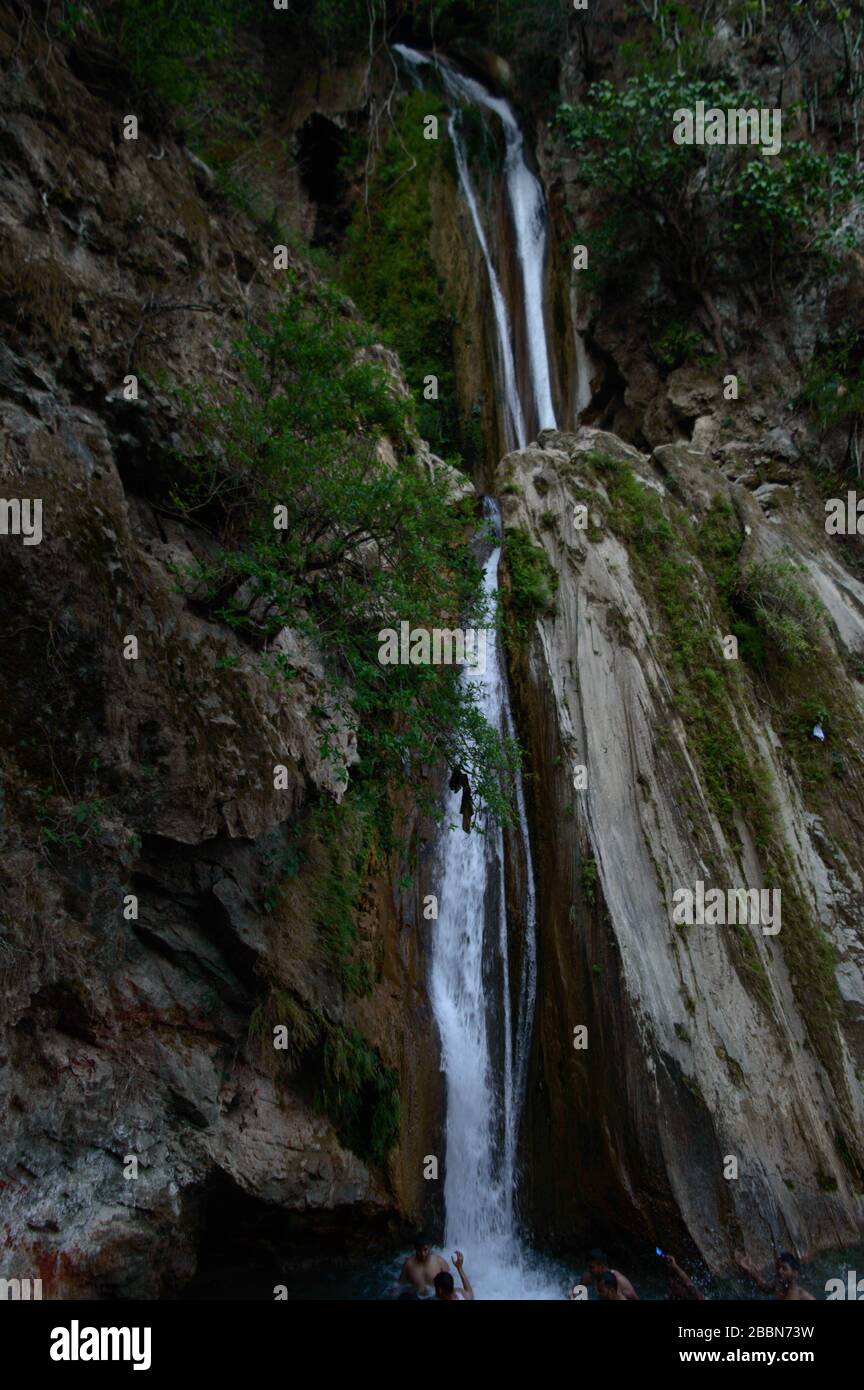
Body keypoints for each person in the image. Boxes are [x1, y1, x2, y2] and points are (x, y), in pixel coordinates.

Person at [735, 1249, 815, 1301]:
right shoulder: (779, 1285)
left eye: (784, 1268)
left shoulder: (801, 1296)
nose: (780, 1271)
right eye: (778, 1267)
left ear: (794, 1273)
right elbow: (765, 1287)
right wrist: (750, 1269)